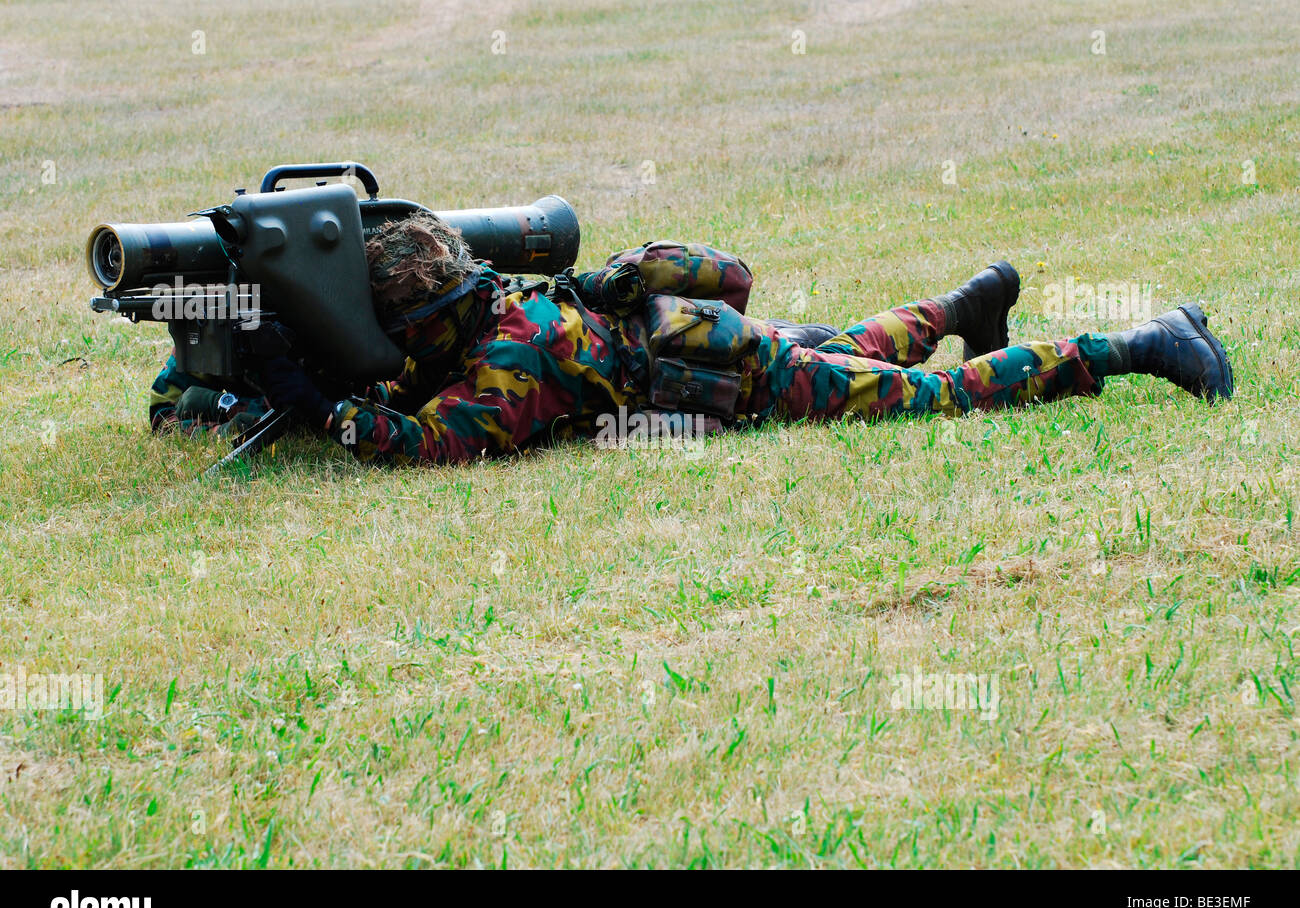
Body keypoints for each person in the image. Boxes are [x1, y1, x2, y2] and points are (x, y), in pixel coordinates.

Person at [155, 213, 1234, 465]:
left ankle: (1135, 344)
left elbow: (430, 444)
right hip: (711, 334)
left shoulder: (510, 360)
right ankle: (964, 307)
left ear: (432, 317)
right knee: (845, 348)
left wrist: (308, 397)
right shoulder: (513, 305)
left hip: (730, 375)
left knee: (919, 400)